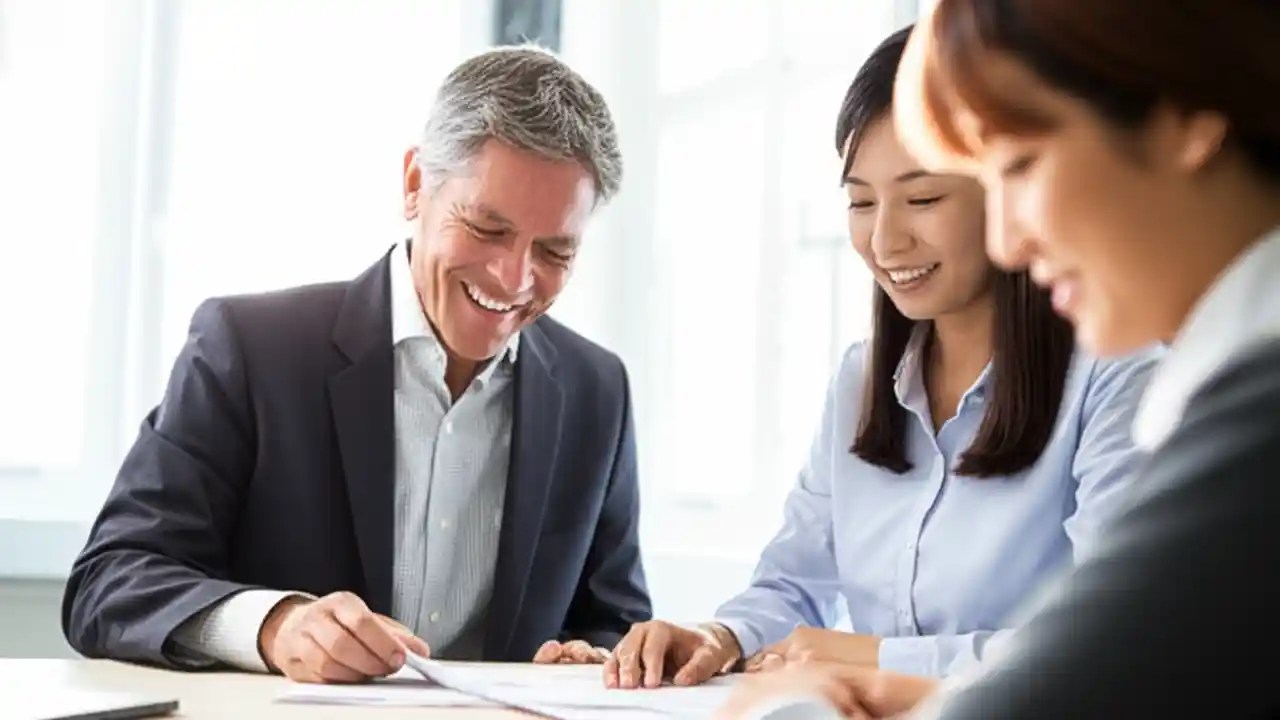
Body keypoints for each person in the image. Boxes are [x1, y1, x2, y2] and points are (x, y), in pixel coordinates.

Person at [551, 26, 1158, 688]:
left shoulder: (1115, 373)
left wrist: (871, 658)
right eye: (861, 202)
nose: (886, 239)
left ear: (1007, 191)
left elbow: (1117, 638)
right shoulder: (860, 379)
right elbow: (793, 585)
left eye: (923, 199)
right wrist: (717, 635)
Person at [722, 0, 1280, 717]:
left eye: (1020, 164)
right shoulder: (1234, 389)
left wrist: (788, 704)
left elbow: (1091, 685)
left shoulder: (1255, 417)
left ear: (1183, 120)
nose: (1009, 240)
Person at [61, 45, 651, 683]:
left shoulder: (598, 390)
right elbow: (108, 582)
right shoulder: (250, 349)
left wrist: (592, 659)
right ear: (415, 185)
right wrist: (273, 625)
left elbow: (612, 621)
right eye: (487, 228)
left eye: (555, 252)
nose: (515, 278)